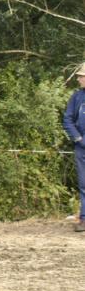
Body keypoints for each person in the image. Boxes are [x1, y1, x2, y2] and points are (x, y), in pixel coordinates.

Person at [62, 62, 85, 232]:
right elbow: (67, 120)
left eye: (81, 76)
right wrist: (78, 138)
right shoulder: (76, 97)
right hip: (81, 147)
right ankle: (83, 219)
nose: (78, 79)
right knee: (84, 184)